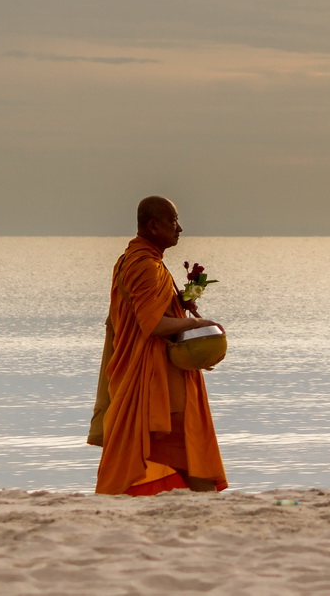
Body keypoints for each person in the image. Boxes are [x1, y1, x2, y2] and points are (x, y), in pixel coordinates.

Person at [87, 196, 228, 495]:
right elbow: (153, 325)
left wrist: (182, 307)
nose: (180, 229)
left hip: (157, 371)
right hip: (151, 378)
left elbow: (154, 314)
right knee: (177, 435)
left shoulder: (140, 260)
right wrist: (195, 325)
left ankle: (190, 492)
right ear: (153, 226)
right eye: (174, 222)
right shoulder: (145, 266)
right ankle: (187, 491)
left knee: (171, 438)